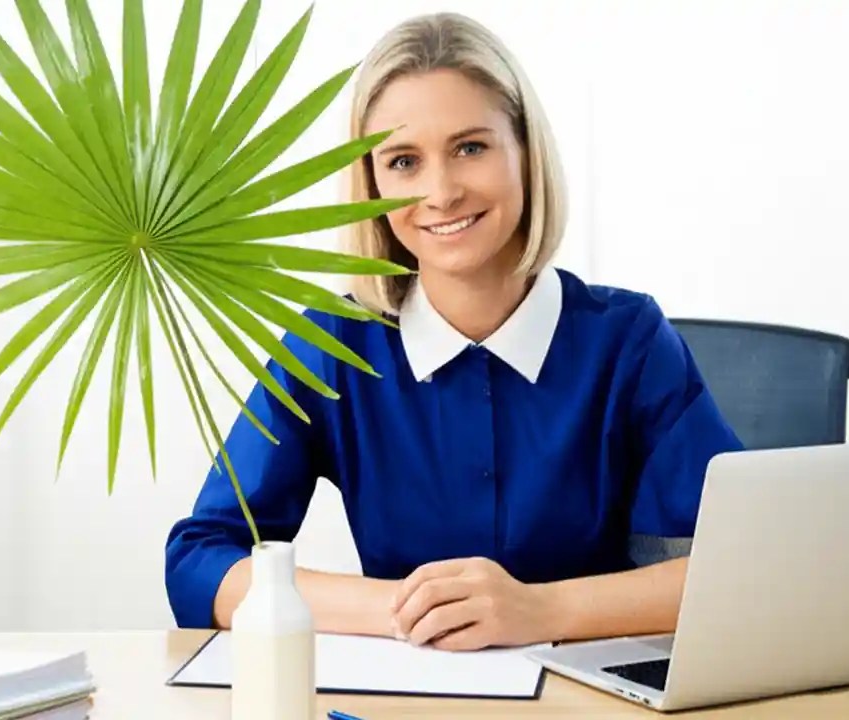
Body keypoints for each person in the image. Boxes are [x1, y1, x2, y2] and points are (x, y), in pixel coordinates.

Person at [164, 11, 743, 652]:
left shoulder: (629, 342)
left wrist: (539, 611)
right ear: (371, 182)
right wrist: (411, 608)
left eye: (470, 148)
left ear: (525, 150)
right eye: (404, 161)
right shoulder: (332, 345)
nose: (440, 192)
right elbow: (201, 564)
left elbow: (740, 570)